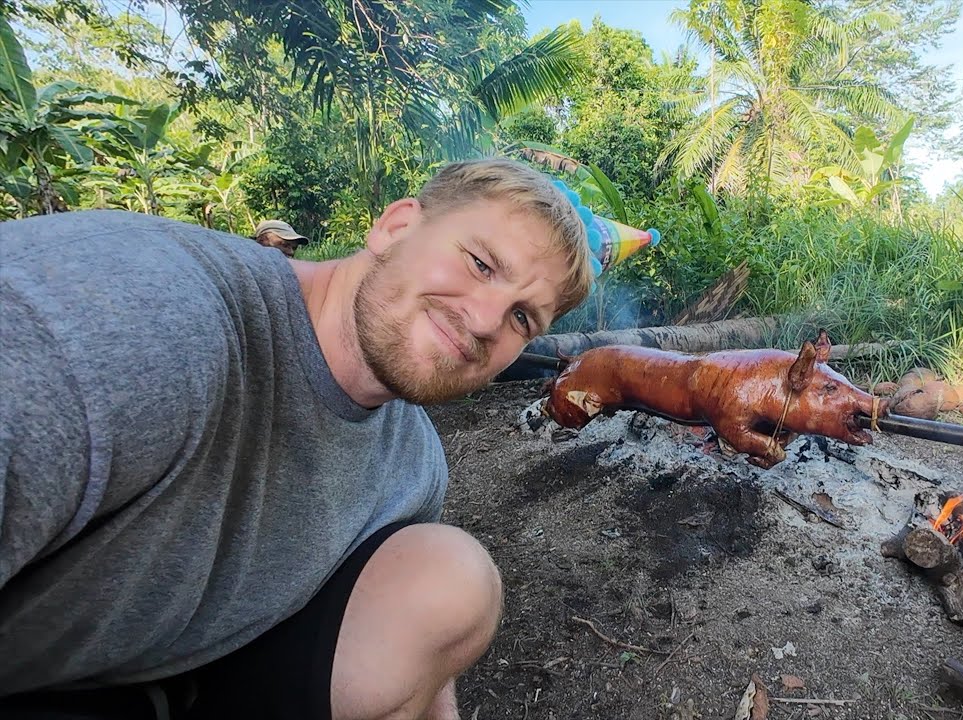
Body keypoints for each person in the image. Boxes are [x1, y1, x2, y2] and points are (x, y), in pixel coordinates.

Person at [0, 157, 595, 719]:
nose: (488, 321)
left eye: (523, 318)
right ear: (395, 227)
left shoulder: (412, 464)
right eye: (480, 264)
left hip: (175, 677)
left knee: (448, 577)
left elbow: (430, 675)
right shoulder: (142, 319)